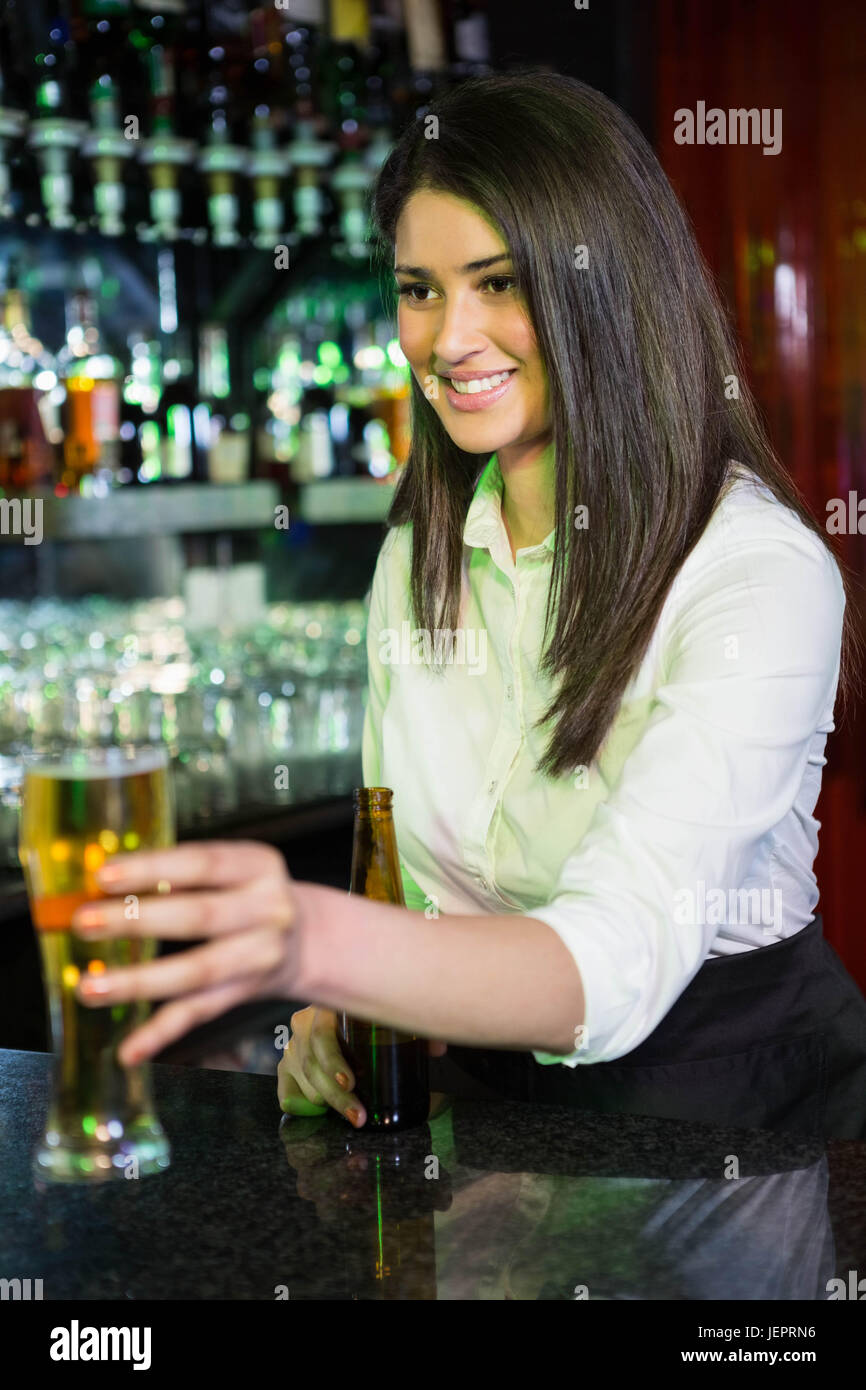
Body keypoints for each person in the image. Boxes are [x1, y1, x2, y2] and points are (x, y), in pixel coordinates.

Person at [71, 72, 866, 1138]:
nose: (449, 339)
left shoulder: (753, 573)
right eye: (419, 289)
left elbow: (614, 958)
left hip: (728, 1116)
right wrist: (339, 1014)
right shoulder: (417, 558)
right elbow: (410, 893)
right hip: (486, 1129)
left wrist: (313, 939)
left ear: (606, 286)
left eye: (497, 283)